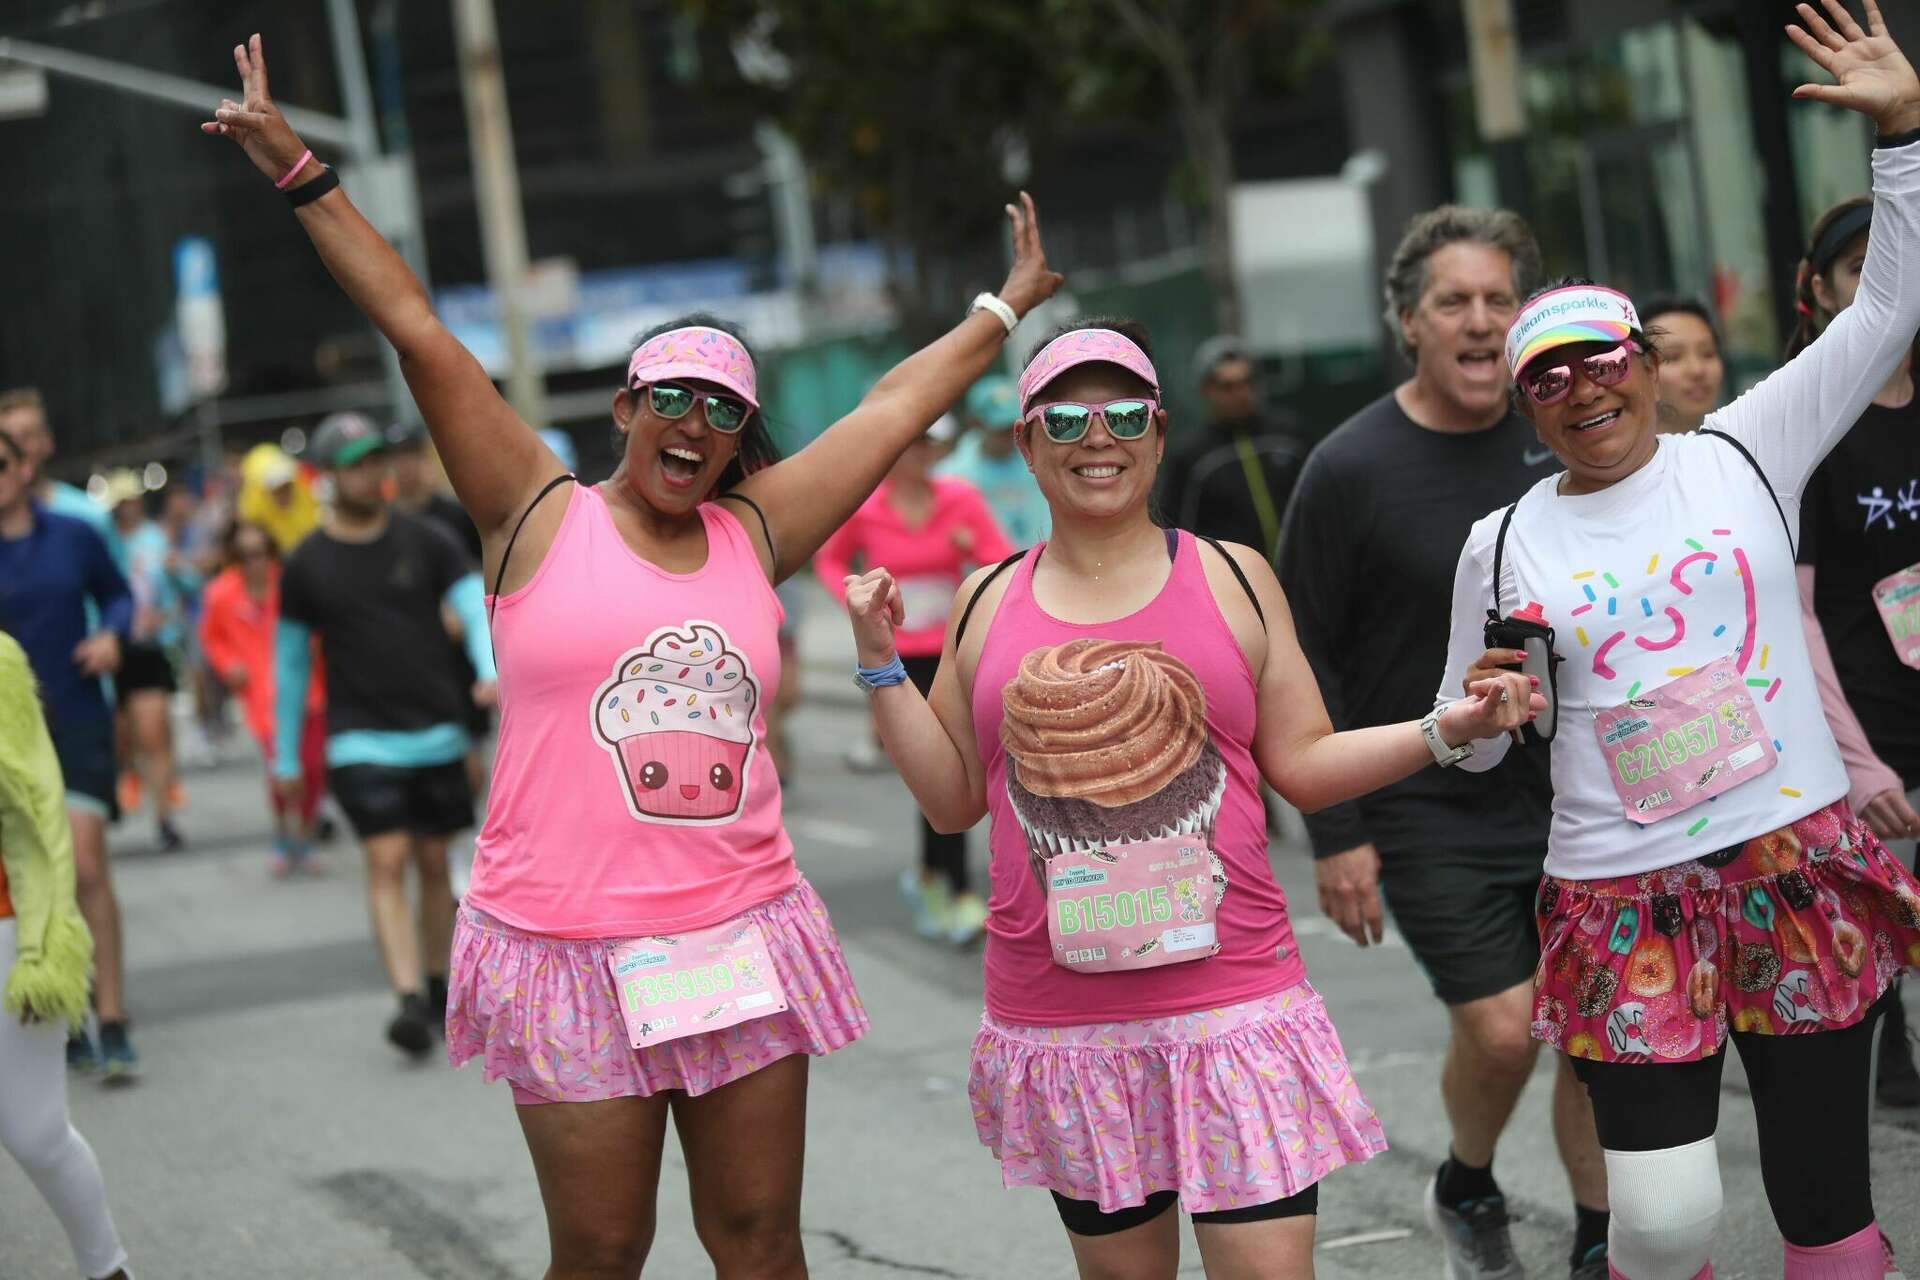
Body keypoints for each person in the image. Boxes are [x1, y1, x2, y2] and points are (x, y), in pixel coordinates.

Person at [204, 34, 1063, 1276]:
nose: (700, 423)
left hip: (737, 934)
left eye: (726, 411)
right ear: (626, 408)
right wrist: (300, 173)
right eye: (675, 395)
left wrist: (1002, 307)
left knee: (760, 1240)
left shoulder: (750, 532)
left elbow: (886, 412)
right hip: (563, 946)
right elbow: (419, 329)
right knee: (603, 1248)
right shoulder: (532, 513)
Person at [841, 317, 1537, 1279]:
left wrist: (1444, 730)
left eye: (1125, 414)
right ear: (1026, 443)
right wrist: (881, 667)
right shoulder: (986, 599)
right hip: (1067, 1027)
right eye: (1069, 418)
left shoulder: (1234, 577)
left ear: (1159, 435)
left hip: (1231, 1010)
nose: (1099, 438)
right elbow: (955, 800)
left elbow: (1303, 762)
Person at [1436, 9, 1920, 1274]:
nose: (1585, 388)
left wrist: (1904, 135)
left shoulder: (1748, 449)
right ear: (1526, 402)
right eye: (1550, 375)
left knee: (1827, 1207)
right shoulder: (1501, 542)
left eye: (1606, 359)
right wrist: (1479, 722)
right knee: (1663, 1222)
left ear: (1648, 363)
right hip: (1622, 893)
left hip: (1794, 858)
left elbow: (1886, 307)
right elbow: (1472, 747)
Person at [1278, 204, 1609, 1279]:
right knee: (1511, 1028)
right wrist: (1337, 830)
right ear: (1408, 325)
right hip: (1424, 798)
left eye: (1498, 299)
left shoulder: (1563, 433)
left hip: (1579, 786)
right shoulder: (1349, 466)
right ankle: (1467, 1173)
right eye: (1452, 302)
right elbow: (1303, 656)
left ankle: (1603, 1234)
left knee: (1597, 1026)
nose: (1479, 320)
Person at [269, 412, 495, 1055]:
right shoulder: (307, 564)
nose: (373, 473)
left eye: (377, 460)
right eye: (357, 463)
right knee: (387, 858)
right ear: (328, 477)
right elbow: (288, 668)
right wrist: (287, 756)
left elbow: (474, 607)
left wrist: (486, 669)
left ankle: (433, 986)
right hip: (358, 738)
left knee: (432, 861)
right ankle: (404, 998)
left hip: (437, 730)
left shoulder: (426, 540)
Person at [1789, 192, 1920, 1109]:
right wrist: (1859, 762)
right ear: (1826, 292)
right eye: (1858, 265)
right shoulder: (1808, 425)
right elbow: (1792, 615)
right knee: (1884, 926)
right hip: (1874, 729)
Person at [815, 423, 1015, 944]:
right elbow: (830, 558)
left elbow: (1003, 561)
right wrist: (855, 604)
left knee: (957, 770)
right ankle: (944, 888)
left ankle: (943, 885)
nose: (919, 454)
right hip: (897, 659)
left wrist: (972, 550)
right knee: (932, 775)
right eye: (909, 444)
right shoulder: (867, 507)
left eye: (928, 444)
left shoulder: (960, 498)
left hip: (950, 652)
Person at [0, 426, 140, 1083]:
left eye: (3, 461)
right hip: (9, 740)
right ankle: (66, 1012)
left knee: (84, 865)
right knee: (28, 874)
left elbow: (117, 593)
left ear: (26, 466)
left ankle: (110, 1019)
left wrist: (110, 636)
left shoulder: (73, 535)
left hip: (77, 716)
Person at [0, 631, 134, 1280]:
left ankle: (108, 1270)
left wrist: (44, 948)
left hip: (6, 931)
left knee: (37, 1134)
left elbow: (38, 819)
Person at [199, 520, 328, 876]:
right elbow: (211, 639)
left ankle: (304, 833)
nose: (253, 561)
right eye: (243, 555)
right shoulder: (221, 594)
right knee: (280, 768)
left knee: (314, 768)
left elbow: (319, 625)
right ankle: (285, 834)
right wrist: (229, 666)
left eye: (259, 553)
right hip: (260, 696)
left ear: (271, 553)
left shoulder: (292, 586)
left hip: (308, 692)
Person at [1155, 336, 1301, 560]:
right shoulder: (1191, 455)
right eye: (1227, 386)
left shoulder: (1290, 436)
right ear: (1206, 389)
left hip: (1297, 577)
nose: (1240, 393)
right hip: (1230, 584)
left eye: (1246, 382)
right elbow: (1176, 530)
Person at [105, 471, 188, 854]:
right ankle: (125, 782)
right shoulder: (102, 541)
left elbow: (185, 588)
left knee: (154, 732)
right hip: (112, 652)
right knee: (121, 737)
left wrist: (168, 606)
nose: (126, 508)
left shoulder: (156, 538)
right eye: (119, 502)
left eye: (131, 500)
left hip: (150, 650)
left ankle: (164, 817)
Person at [937, 374, 1051, 548]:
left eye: (1011, 426)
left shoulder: (1043, 459)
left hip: (1045, 565)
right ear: (975, 424)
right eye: (1000, 428)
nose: (1010, 435)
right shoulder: (950, 476)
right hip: (988, 571)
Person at [1638, 298, 1726, 434]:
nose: (1697, 370)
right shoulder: (1620, 454)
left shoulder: (1744, 447)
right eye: (1673, 357)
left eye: (1708, 353)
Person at [236, 441, 317, 554]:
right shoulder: (253, 504)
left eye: (286, 485)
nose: (283, 492)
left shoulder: (309, 491)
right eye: (277, 488)